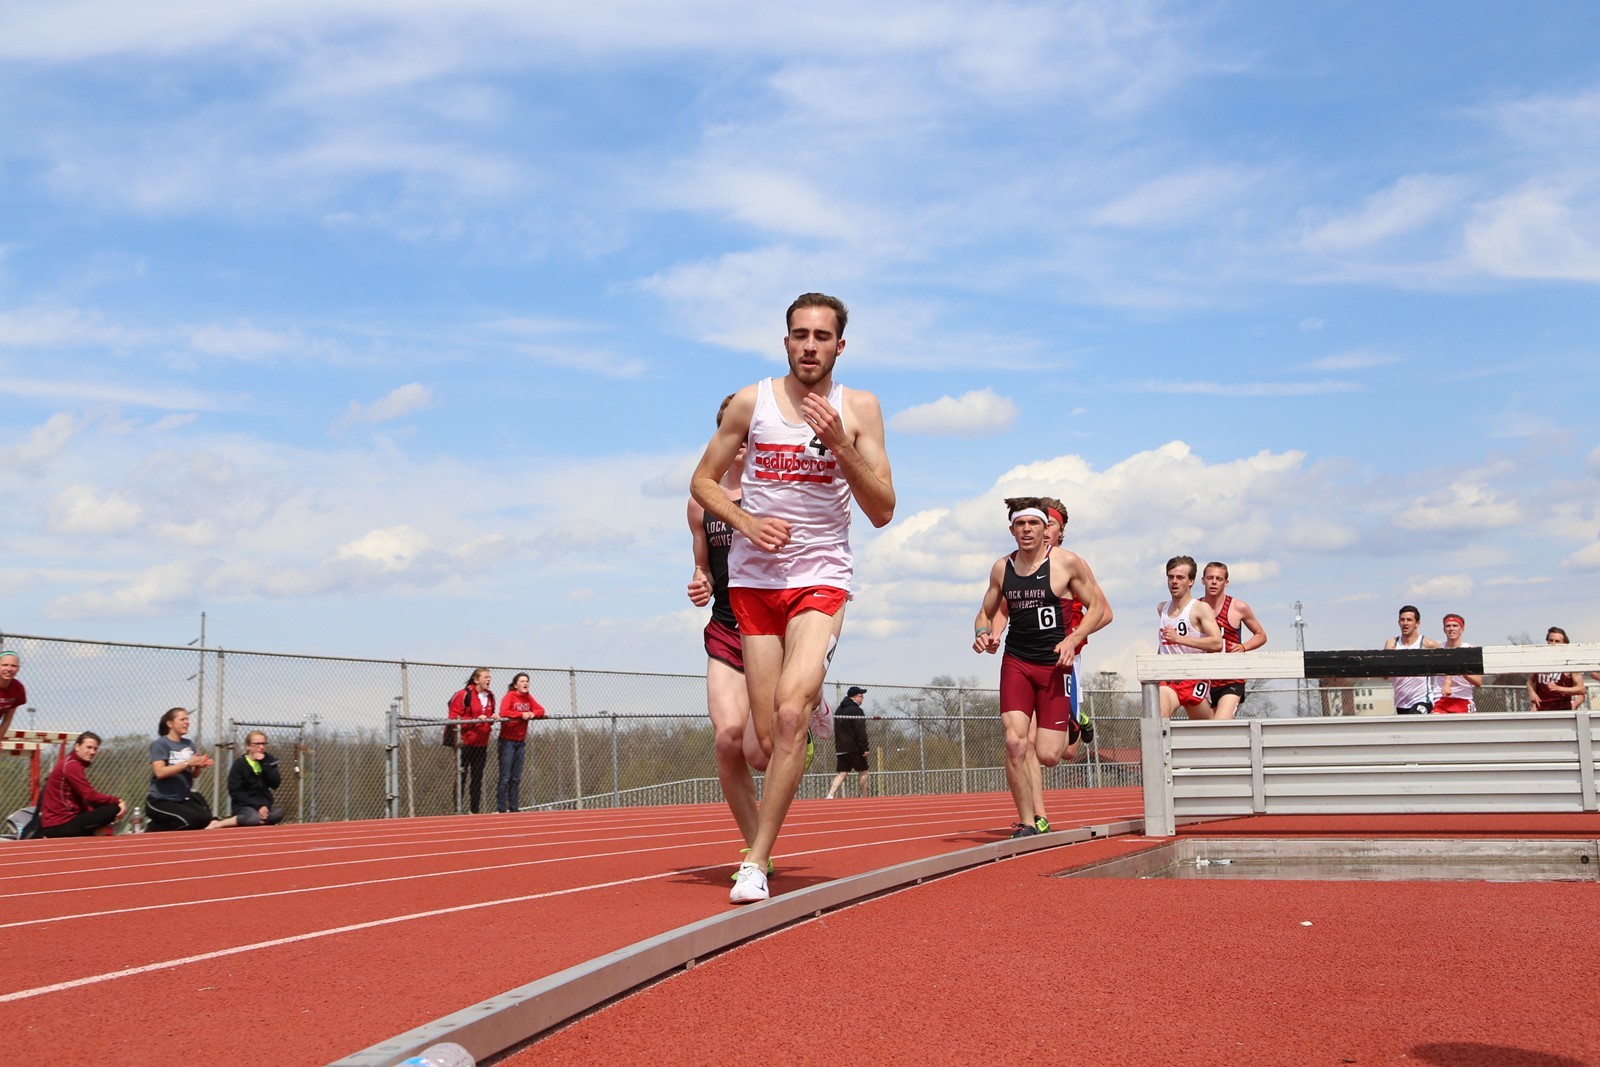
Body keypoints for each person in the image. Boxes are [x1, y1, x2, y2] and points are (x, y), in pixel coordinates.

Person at [691, 292, 895, 904]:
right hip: (755, 584)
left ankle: (756, 860)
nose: (810, 345)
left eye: (822, 336)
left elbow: (883, 509)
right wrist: (746, 523)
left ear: (840, 345)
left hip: (821, 576)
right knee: (758, 743)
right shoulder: (752, 402)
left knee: (788, 714)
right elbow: (702, 482)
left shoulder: (858, 408)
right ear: (786, 342)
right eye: (800, 335)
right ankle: (796, 730)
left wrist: (840, 444)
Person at [973, 499, 1104, 837]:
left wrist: (1073, 639)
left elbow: (1099, 609)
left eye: (1034, 524)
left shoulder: (1067, 564)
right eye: (1020, 524)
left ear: (1046, 530)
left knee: (1048, 755)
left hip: (1054, 667)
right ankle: (1028, 822)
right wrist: (983, 635)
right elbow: (985, 612)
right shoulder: (1002, 568)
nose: (1027, 530)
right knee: (1015, 742)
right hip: (1016, 662)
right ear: (1012, 529)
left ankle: (1072, 723)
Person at [687, 394, 765, 849]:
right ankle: (756, 847)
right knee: (727, 741)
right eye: (729, 431)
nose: (738, 442)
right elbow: (703, 567)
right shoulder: (701, 502)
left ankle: (804, 725)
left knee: (761, 751)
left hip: (770, 633)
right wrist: (700, 582)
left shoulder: (774, 494)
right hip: (725, 628)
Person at [1155, 555, 1224, 718]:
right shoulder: (1162, 608)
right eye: (1170, 577)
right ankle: (1161, 742)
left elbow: (1216, 643)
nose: (1174, 581)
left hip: (1194, 679)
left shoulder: (1200, 608)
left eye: (1180, 577)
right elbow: (1164, 645)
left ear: (1191, 581)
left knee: (1205, 734)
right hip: (1169, 680)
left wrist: (1179, 638)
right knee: (1159, 717)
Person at [147, 707, 236, 831]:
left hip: (182, 799)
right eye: (182, 719)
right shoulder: (161, 744)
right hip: (161, 800)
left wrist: (198, 766)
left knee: (205, 819)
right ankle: (154, 827)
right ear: (170, 724)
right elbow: (160, 772)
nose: (187, 722)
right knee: (190, 821)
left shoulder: (189, 744)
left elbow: (194, 775)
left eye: (187, 719)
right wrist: (187, 763)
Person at [1199, 561, 1268, 719]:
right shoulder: (1195, 607)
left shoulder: (1238, 607)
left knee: (1220, 724)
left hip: (1230, 679)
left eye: (1219, 578)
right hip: (1203, 679)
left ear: (1226, 582)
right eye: (1210, 578)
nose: (1214, 582)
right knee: (1205, 730)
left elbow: (1261, 635)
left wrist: (1243, 647)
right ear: (1203, 580)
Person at [40, 732, 125, 838]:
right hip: (58, 826)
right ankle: (96, 831)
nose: (92, 752)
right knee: (113, 809)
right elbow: (90, 795)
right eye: (88, 747)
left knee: (101, 806)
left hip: (60, 822)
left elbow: (83, 799)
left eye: (95, 749)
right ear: (77, 746)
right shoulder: (72, 766)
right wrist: (118, 800)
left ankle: (96, 830)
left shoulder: (71, 763)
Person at [496, 672, 545, 813]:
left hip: (520, 742)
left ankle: (514, 808)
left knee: (516, 777)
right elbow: (504, 712)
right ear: (516, 684)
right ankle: (501, 808)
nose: (525, 683)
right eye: (522, 681)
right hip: (507, 742)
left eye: (527, 681)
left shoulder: (528, 697)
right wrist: (520, 715)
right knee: (505, 777)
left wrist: (533, 714)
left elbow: (541, 710)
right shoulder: (510, 696)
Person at [449, 668, 495, 814]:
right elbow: (453, 719)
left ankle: (474, 810)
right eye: (485, 677)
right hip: (465, 742)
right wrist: (475, 720)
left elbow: (487, 717)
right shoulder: (463, 695)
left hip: (481, 743)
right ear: (476, 680)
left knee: (477, 777)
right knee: (461, 775)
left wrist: (492, 718)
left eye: (489, 677)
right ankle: (458, 810)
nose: (488, 680)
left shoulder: (490, 696)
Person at [1384, 605, 1440, 714]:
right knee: (1406, 729)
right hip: (1401, 702)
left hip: (1423, 700)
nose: (1405, 623)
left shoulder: (1427, 644)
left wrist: (1447, 683)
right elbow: (1385, 676)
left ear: (1417, 623)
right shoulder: (1392, 643)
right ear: (1398, 622)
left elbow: (1448, 660)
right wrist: (1391, 660)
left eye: (1409, 620)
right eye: (1402, 620)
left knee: (1415, 716)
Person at [227, 731, 286, 826]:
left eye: (263, 744)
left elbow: (275, 783)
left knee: (278, 813)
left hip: (265, 805)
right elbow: (235, 791)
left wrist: (264, 763)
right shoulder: (240, 764)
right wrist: (258, 806)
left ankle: (260, 820)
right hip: (244, 805)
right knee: (252, 818)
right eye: (257, 744)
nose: (261, 747)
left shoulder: (269, 760)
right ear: (248, 746)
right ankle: (220, 823)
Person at [824, 687, 872, 799]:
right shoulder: (857, 711)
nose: (862, 698)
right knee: (863, 772)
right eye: (861, 696)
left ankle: (830, 794)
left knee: (842, 772)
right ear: (854, 697)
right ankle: (864, 797)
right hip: (855, 748)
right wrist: (865, 748)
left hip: (841, 747)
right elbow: (860, 731)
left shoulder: (839, 710)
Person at [1528, 627, 1585, 711]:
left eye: (1557, 641)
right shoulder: (1539, 661)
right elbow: (1530, 681)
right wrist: (1531, 692)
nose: (1553, 644)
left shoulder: (1569, 663)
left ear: (1564, 644)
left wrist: (1559, 689)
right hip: (1541, 710)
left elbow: (1581, 689)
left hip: (1562, 710)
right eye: (1551, 640)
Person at [1434, 612, 1481, 714]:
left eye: (1455, 625)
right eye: (1448, 626)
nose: (1451, 629)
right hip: (1441, 698)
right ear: (1444, 629)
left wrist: (1460, 668)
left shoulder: (1470, 649)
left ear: (1462, 629)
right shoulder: (1437, 649)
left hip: (1463, 697)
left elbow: (1478, 682)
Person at [0, 650, 25, 738]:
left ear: (18, 669)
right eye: (5, 665)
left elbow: (7, 719)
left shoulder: (18, 688)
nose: (9, 669)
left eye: (13, 666)